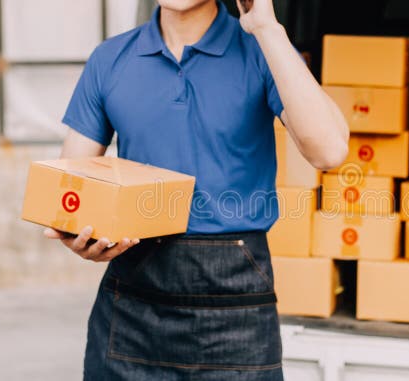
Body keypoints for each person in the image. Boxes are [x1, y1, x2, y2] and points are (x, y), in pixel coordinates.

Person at [42, 0, 348, 379]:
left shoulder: (262, 50)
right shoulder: (111, 58)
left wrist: (268, 29)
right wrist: (80, 237)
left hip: (236, 309)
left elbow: (330, 151)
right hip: (132, 305)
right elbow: (72, 186)